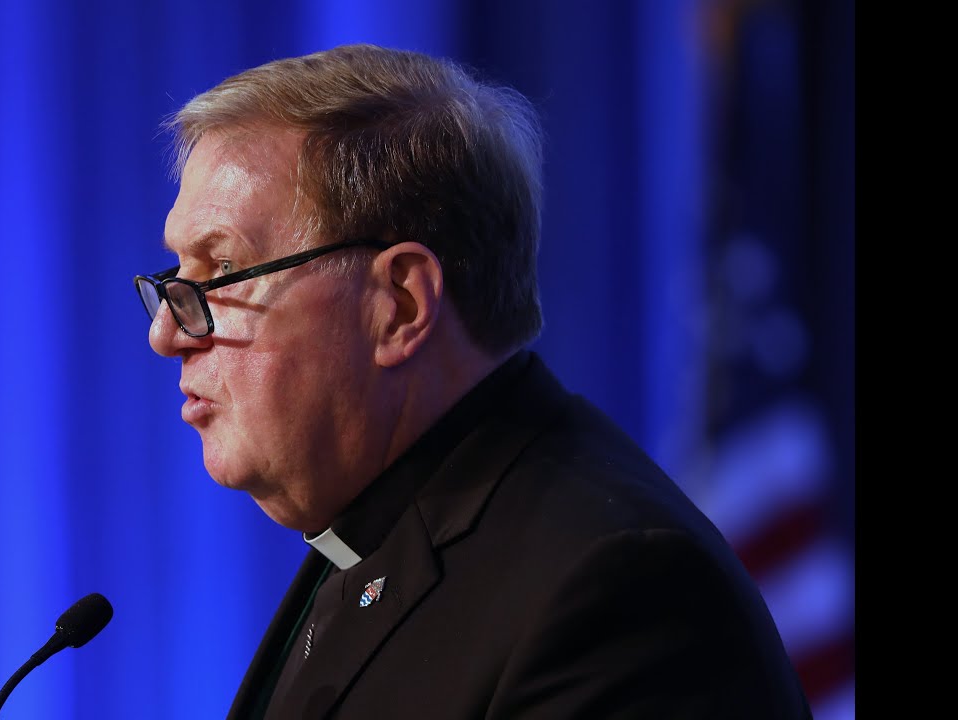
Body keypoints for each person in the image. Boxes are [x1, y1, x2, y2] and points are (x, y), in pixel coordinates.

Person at [133, 43, 812, 720]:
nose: (167, 333)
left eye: (224, 270)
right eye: (177, 277)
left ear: (400, 306)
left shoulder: (617, 591)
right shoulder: (367, 535)